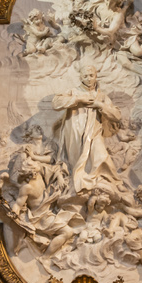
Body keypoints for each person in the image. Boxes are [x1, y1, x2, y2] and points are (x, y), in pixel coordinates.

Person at [52, 65, 122, 195]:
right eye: (85, 76)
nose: (89, 79)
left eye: (91, 75)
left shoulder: (101, 96)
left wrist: (100, 105)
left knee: (101, 155)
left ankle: (111, 183)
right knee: (75, 160)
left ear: (96, 76)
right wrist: (78, 99)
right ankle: (78, 188)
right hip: (73, 132)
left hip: (94, 132)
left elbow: (116, 115)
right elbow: (56, 103)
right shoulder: (74, 91)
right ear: (80, 77)